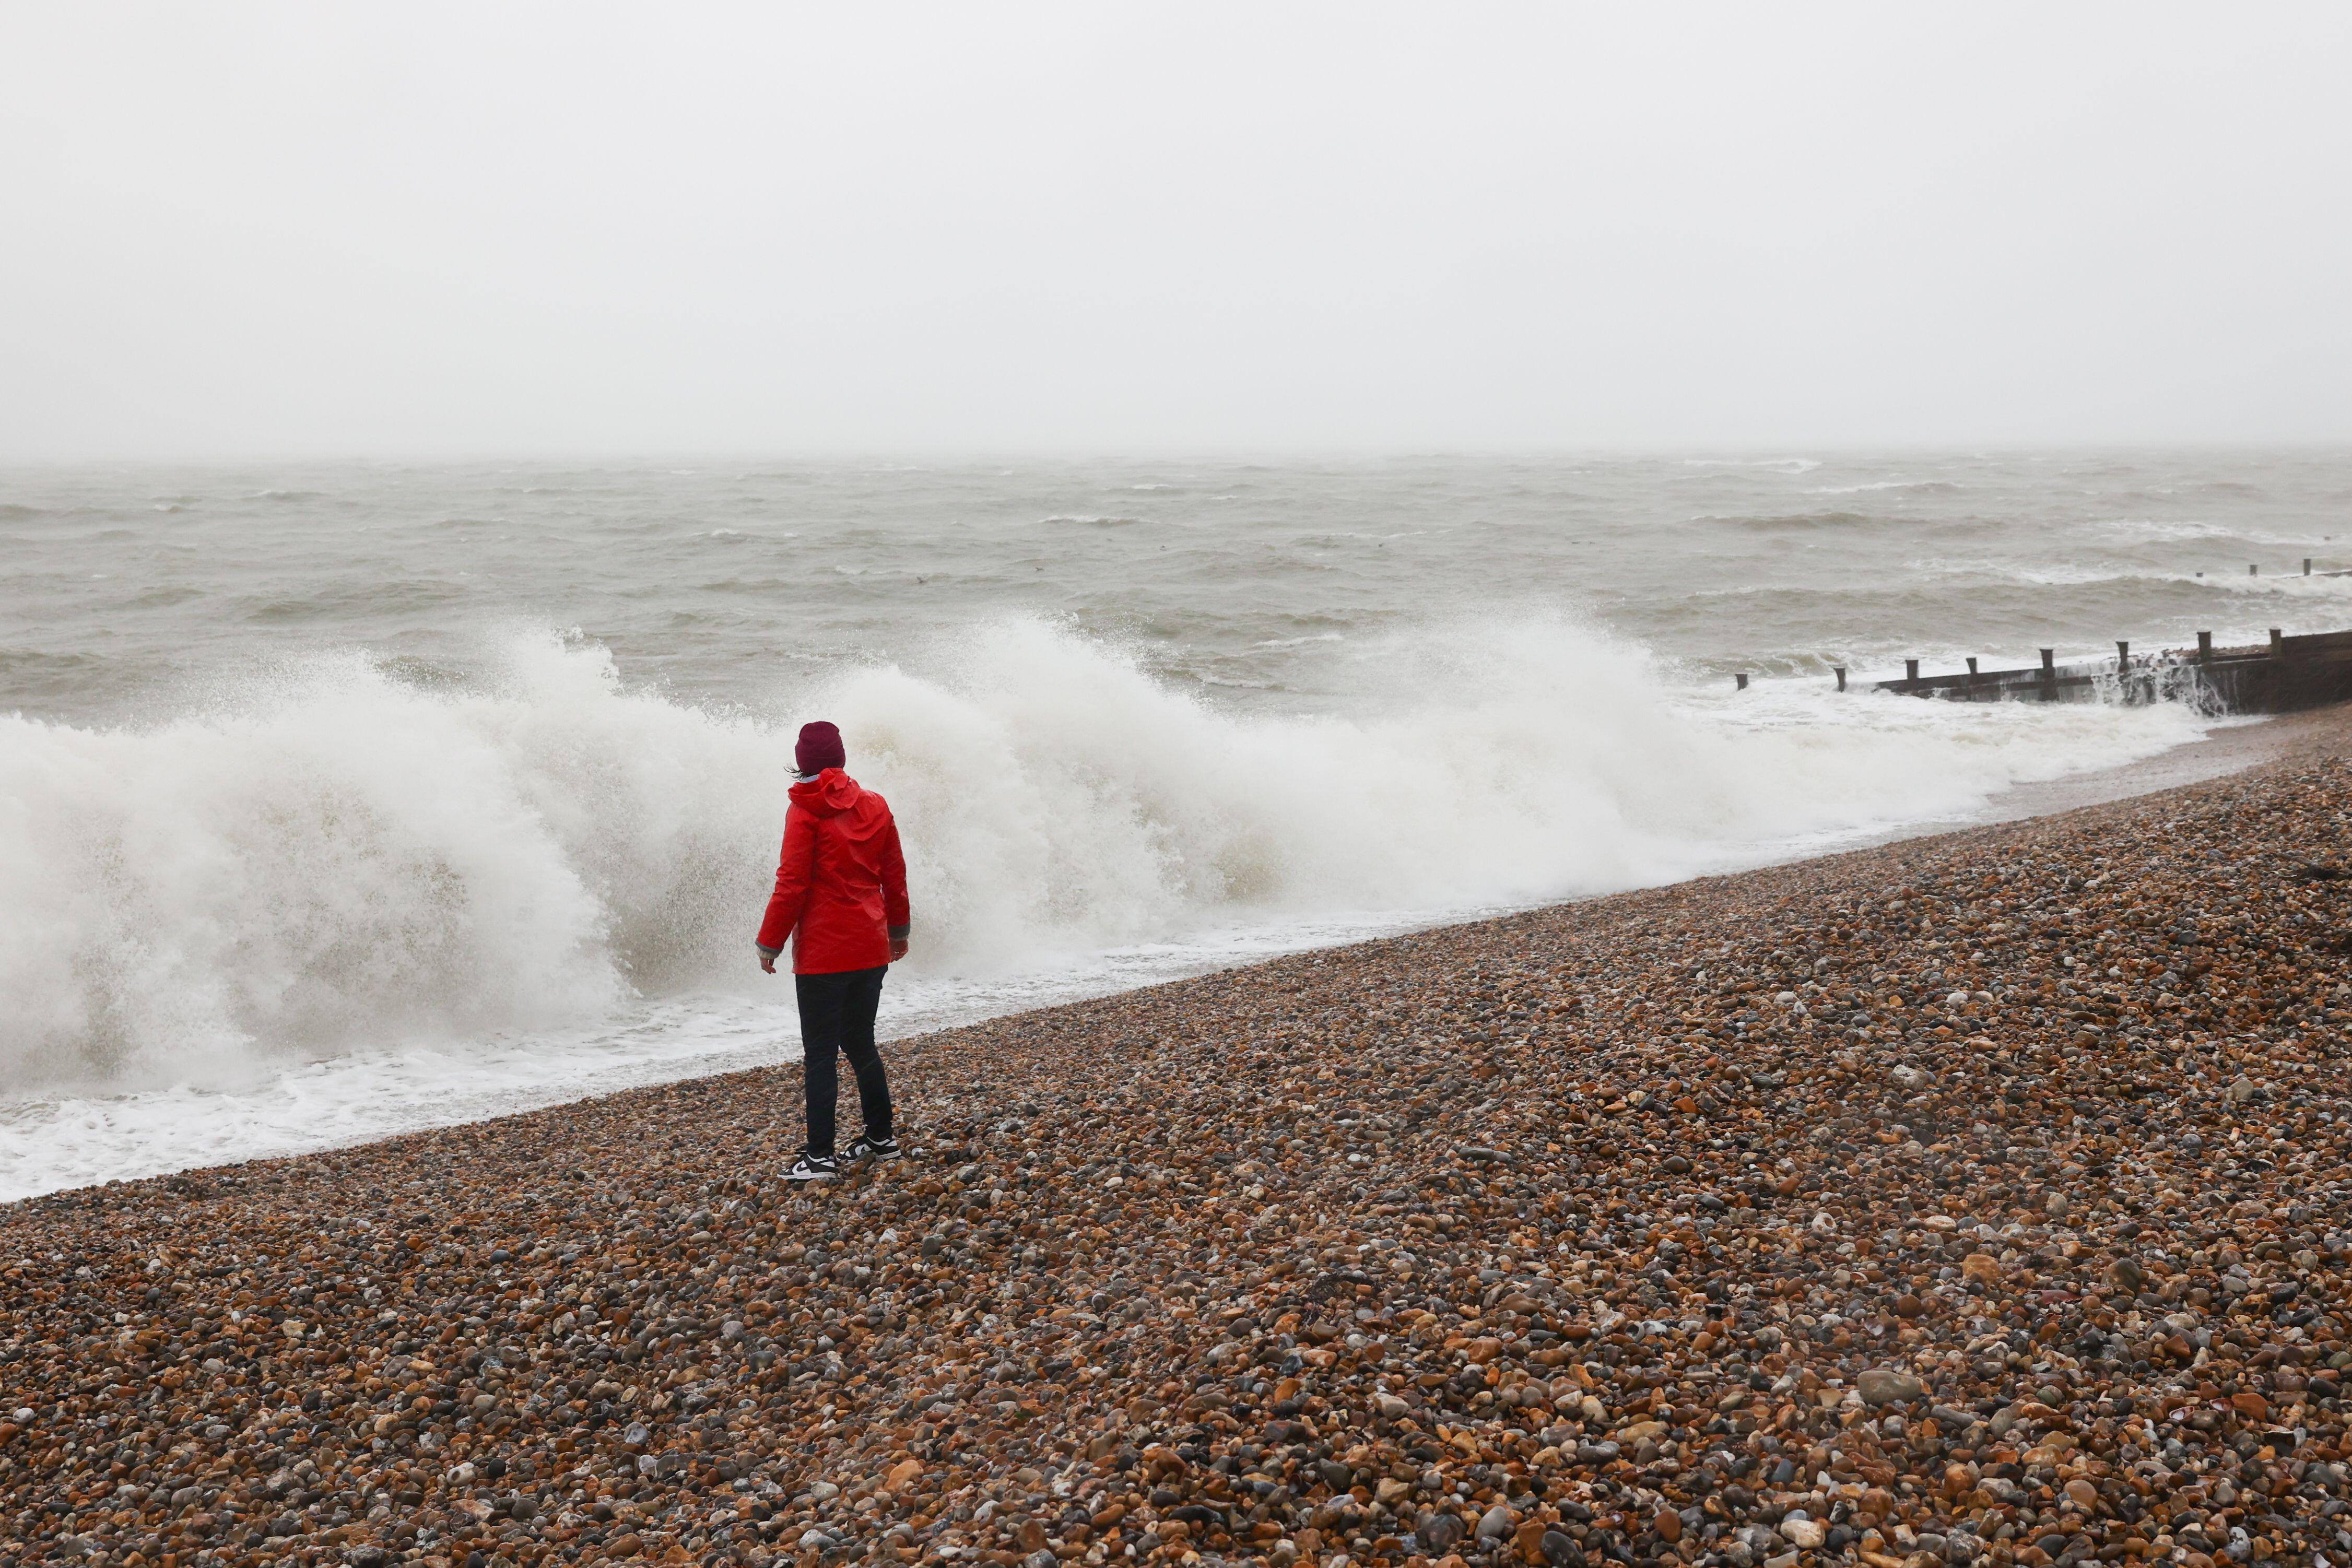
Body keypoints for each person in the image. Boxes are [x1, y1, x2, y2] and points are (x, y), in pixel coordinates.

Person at [756, 720, 911, 1182]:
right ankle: (881, 1140)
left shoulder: (804, 812)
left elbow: (792, 884)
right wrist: (898, 931)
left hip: (824, 953)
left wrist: (770, 942)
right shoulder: (875, 804)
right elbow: (895, 875)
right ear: (840, 759)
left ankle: (820, 1156)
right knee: (861, 1041)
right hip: (869, 945)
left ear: (803, 762)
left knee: (821, 1052)